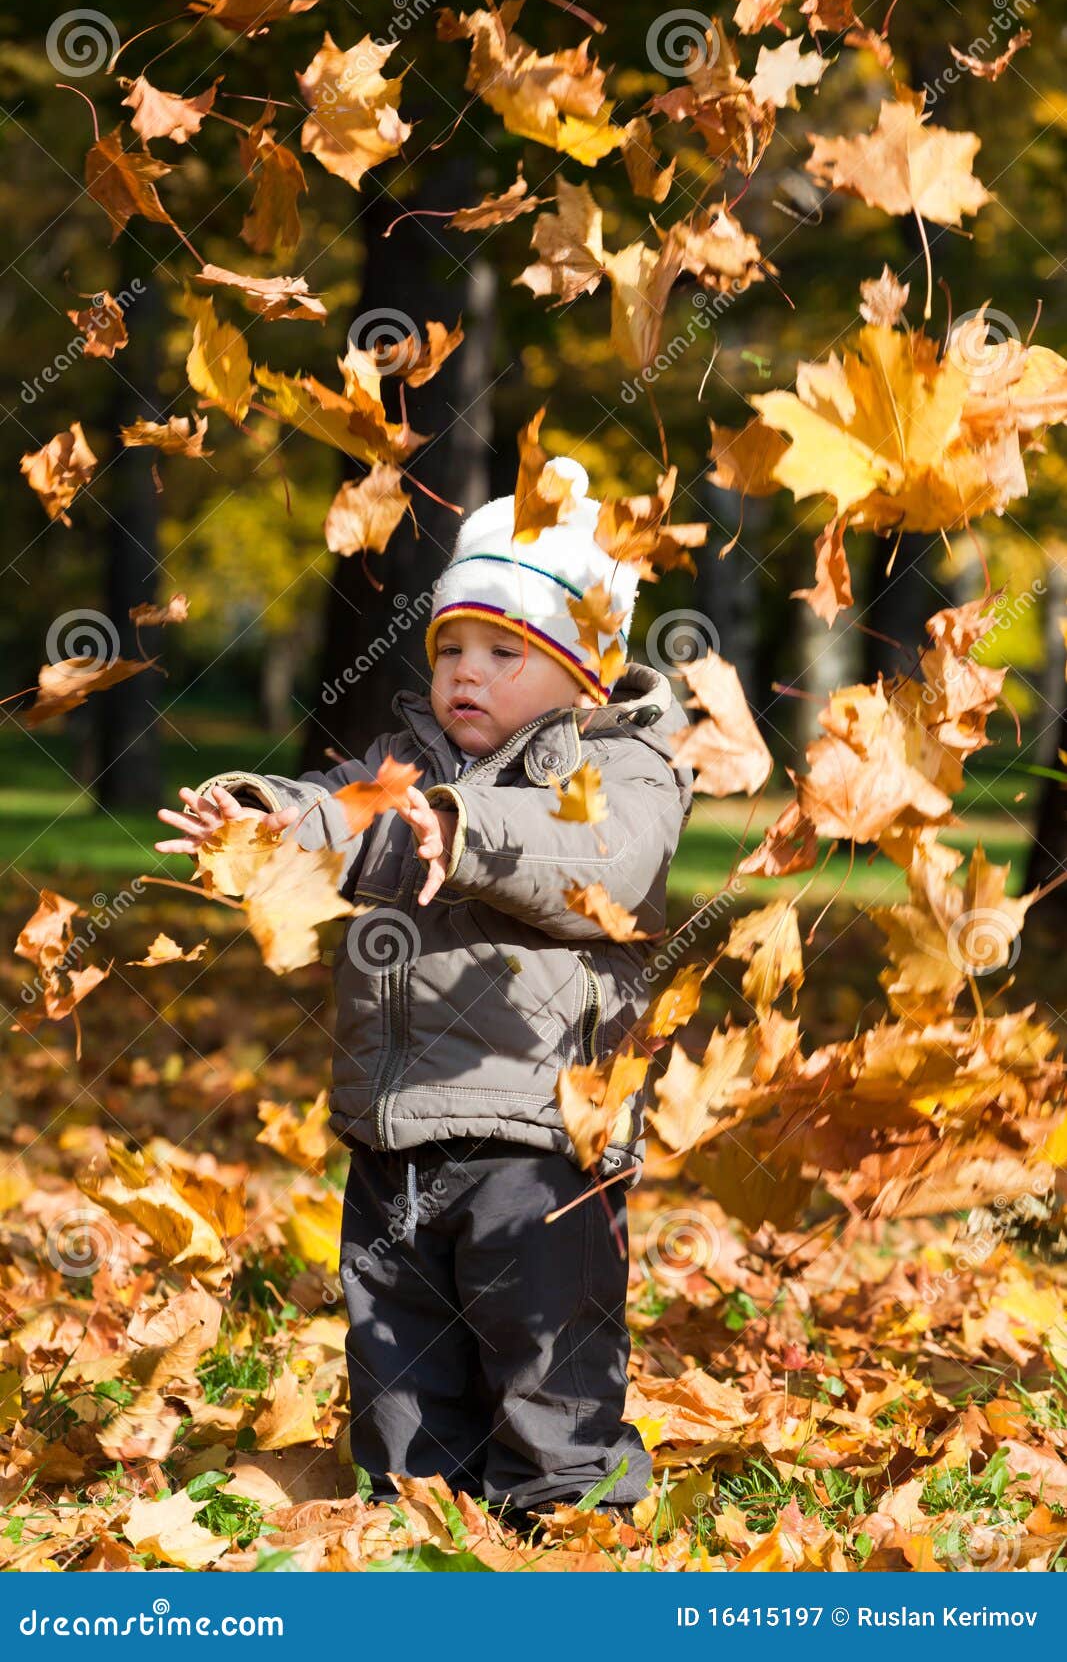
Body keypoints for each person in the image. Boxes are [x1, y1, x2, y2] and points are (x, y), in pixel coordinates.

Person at [155, 456, 694, 1528]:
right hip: (394, 1133)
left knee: (547, 1356)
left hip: (540, 1144)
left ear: (588, 668)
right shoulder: (405, 763)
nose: (467, 672)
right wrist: (266, 817)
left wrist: (464, 826)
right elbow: (341, 816)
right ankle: (419, 1522)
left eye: (506, 651)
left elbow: (603, 861)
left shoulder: (621, 765)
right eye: (451, 645)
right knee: (399, 1374)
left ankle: (568, 1516)